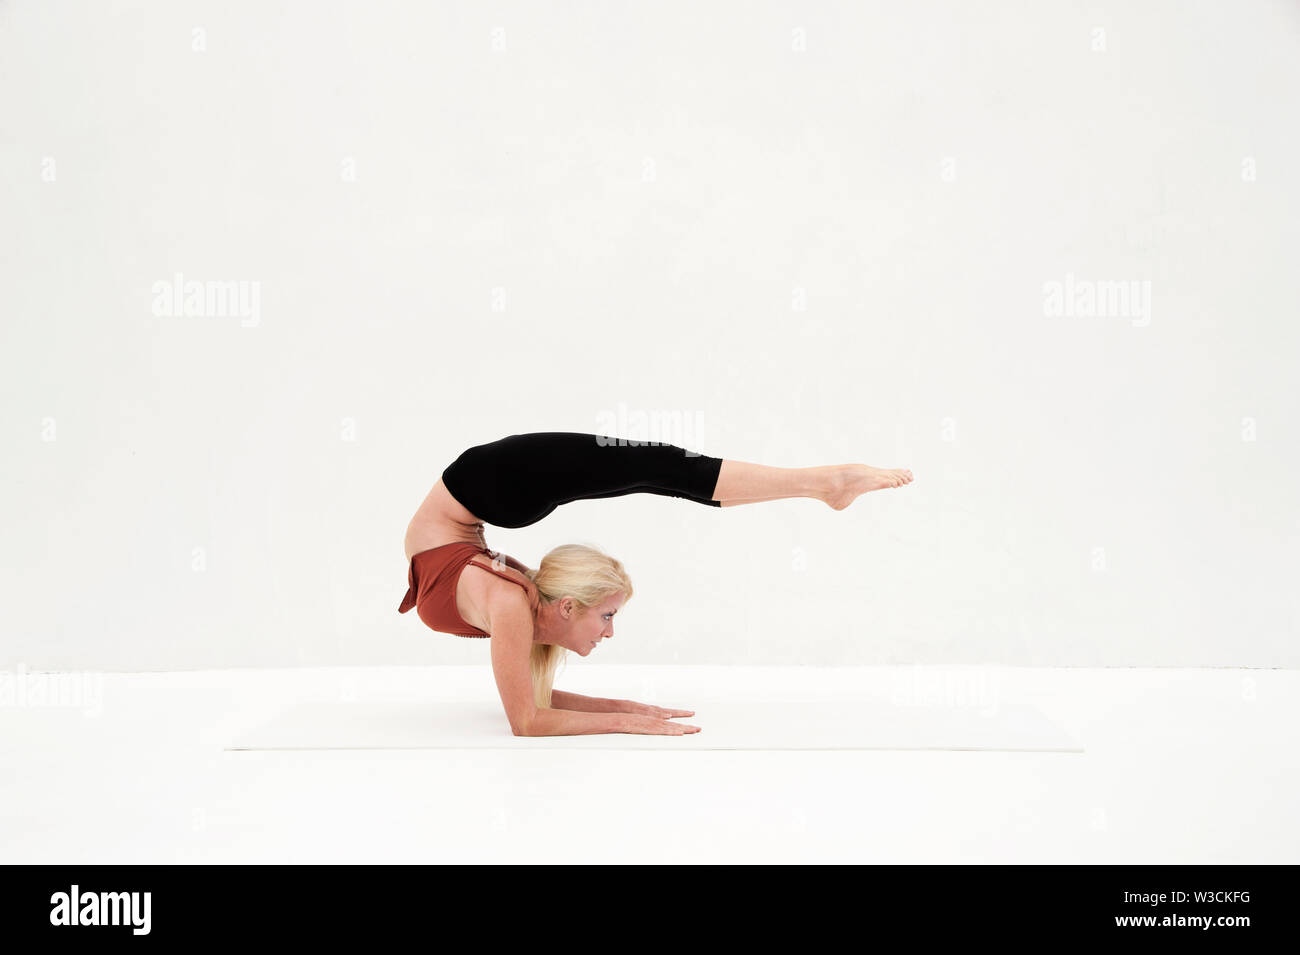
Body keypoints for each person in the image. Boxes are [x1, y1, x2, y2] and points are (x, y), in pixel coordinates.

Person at [399, 431, 913, 738]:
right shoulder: (515, 604)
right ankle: (822, 485)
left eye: (607, 616)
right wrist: (625, 713)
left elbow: (528, 721)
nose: (609, 632)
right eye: (610, 616)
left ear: (567, 606)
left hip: (488, 482)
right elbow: (532, 711)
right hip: (488, 489)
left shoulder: (512, 604)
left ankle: (826, 482)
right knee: (659, 468)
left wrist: (624, 718)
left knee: (659, 465)